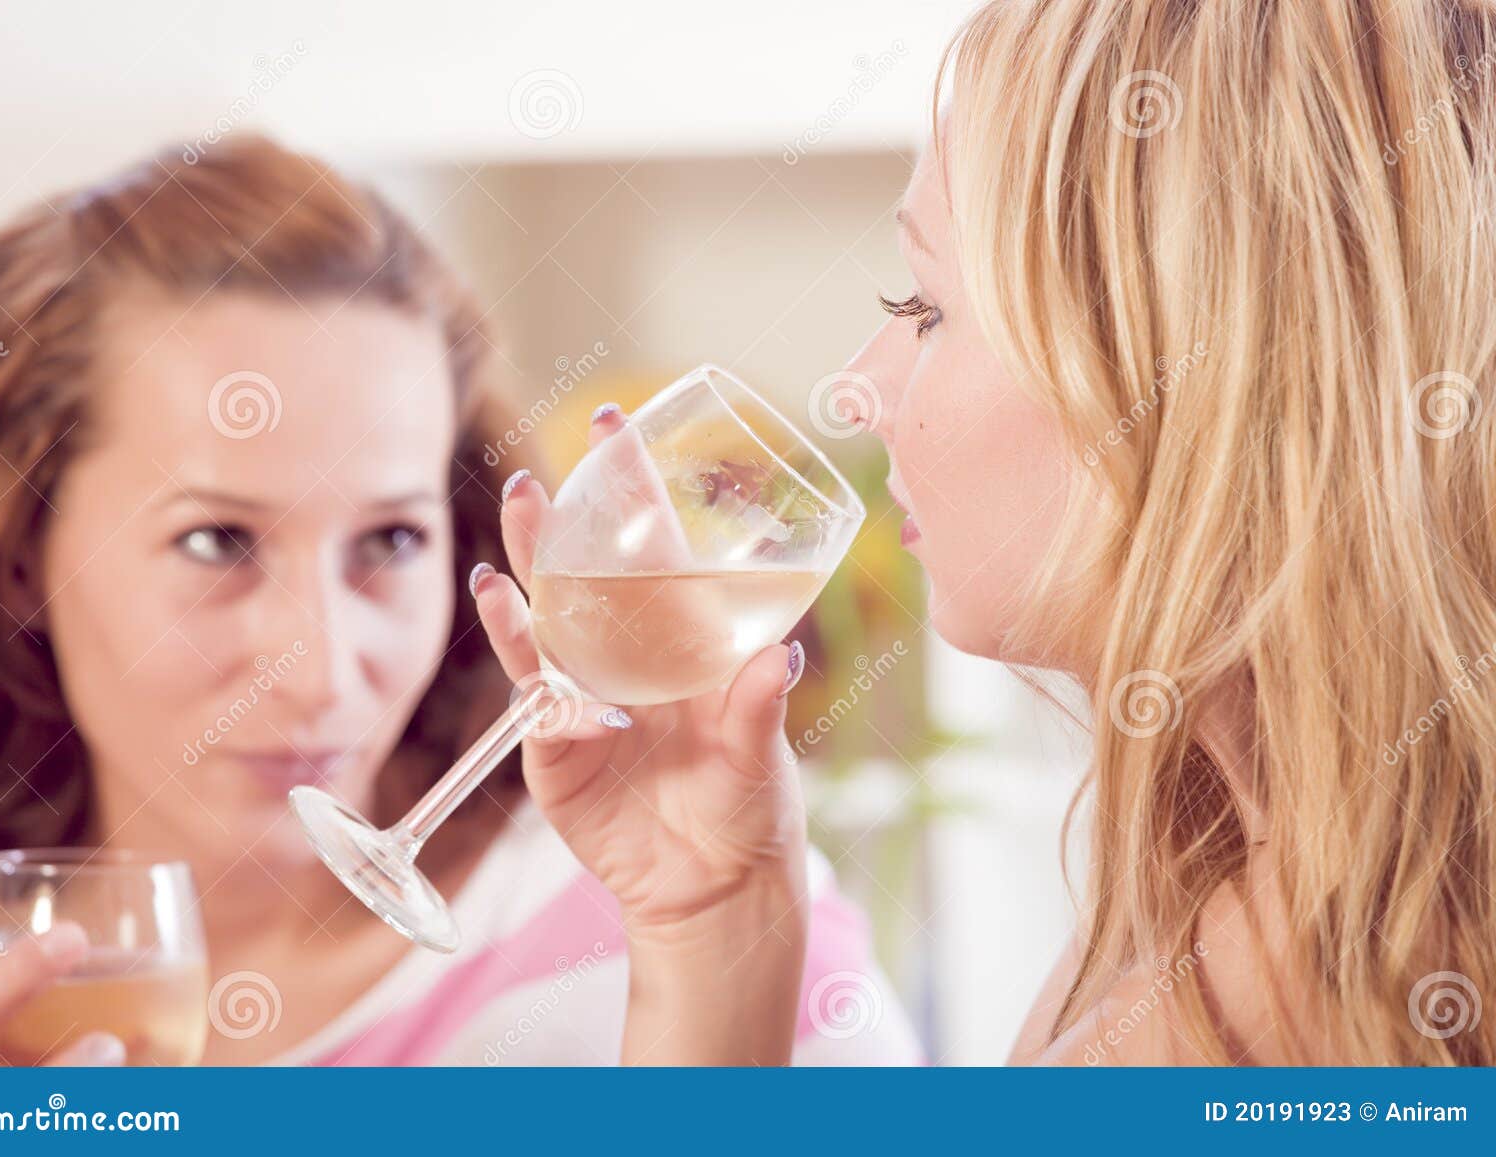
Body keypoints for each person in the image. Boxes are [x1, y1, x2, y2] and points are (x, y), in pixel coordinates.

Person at [482, 0, 1496, 1065]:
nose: (858, 390)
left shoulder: (1245, 1025)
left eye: (924, 306)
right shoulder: (1201, 904)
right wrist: (716, 924)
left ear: (1197, 383)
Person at [0, 136, 919, 1066]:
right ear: (17, 554)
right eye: (216, 542)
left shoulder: (662, 922)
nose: (321, 671)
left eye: (391, 540)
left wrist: (714, 963)